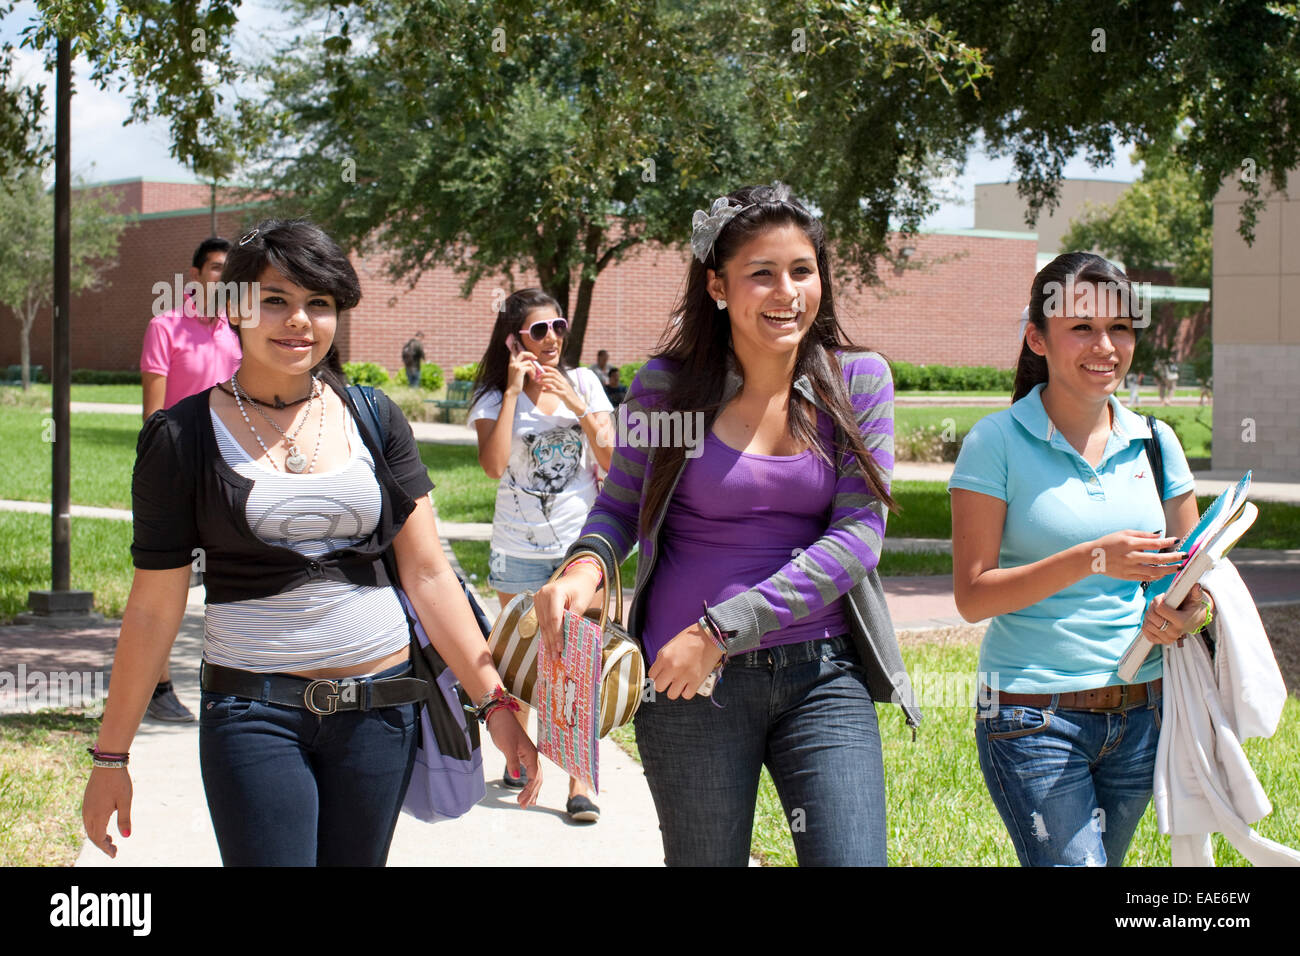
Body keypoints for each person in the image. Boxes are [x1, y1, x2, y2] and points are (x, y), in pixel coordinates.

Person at [84, 219, 541, 866]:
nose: (298, 320)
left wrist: (494, 702)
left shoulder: (376, 417)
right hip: (253, 715)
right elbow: (155, 607)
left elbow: (430, 575)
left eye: (318, 304)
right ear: (236, 308)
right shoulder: (180, 438)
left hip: (382, 712)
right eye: (276, 300)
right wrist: (111, 755)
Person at [533, 183, 917, 866]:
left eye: (802, 270)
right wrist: (582, 570)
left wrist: (722, 629)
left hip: (820, 673)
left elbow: (858, 539)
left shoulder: (857, 383)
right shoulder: (667, 389)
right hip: (685, 686)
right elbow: (621, 506)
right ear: (717, 284)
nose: (787, 292)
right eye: (761, 274)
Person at [949, 252, 1215, 867]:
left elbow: (1193, 579)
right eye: (1082, 328)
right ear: (1037, 338)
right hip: (1031, 718)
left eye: (1120, 328)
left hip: (1143, 715)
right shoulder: (995, 442)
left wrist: (1188, 614)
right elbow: (972, 596)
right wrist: (1093, 558)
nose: (1106, 345)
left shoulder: (1157, 442)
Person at [467, 288, 614, 823]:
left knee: (580, 661)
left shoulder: (585, 384)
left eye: (558, 326)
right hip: (517, 548)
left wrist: (576, 406)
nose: (551, 338)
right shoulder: (492, 398)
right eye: (538, 330)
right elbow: (493, 464)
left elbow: (612, 457)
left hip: (579, 550)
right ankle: (521, 755)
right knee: (521, 662)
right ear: (514, 339)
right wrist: (511, 391)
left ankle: (581, 779)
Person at [138, 236, 242, 723]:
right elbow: (153, 414)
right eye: (217, 268)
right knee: (166, 588)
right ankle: (156, 688)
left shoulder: (240, 332)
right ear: (197, 274)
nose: (224, 277)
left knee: (233, 585)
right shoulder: (165, 326)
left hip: (233, 474)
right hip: (179, 472)